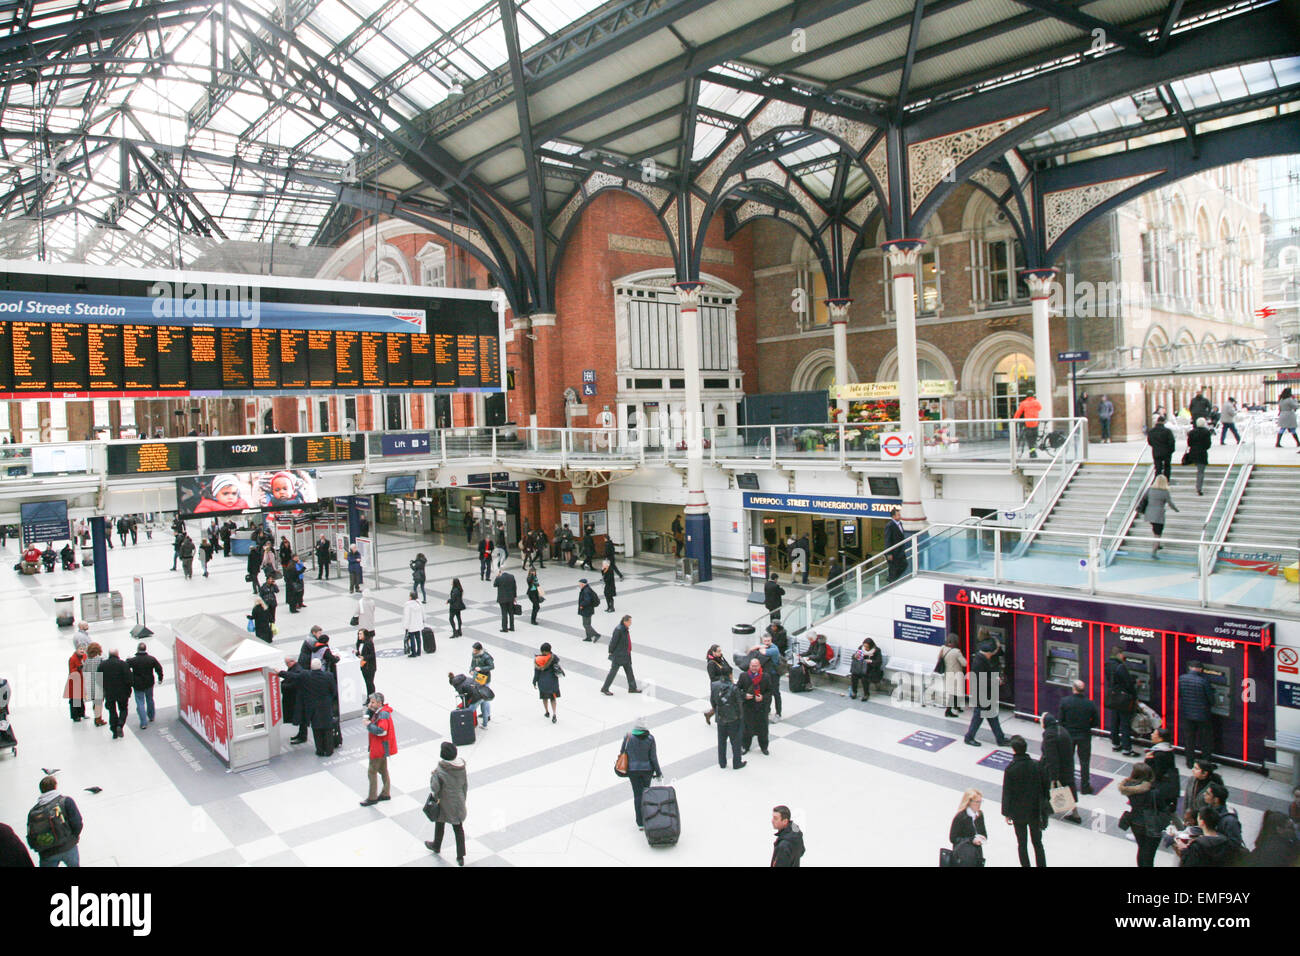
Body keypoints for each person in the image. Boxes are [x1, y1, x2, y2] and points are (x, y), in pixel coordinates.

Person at [1001, 735, 1048, 867]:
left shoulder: (1011, 769)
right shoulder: (1036, 765)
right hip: (1035, 811)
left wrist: (1006, 812)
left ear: (1014, 750)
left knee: (1022, 844)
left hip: (1018, 813)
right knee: (1038, 843)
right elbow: (1045, 786)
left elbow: (1007, 792)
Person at [424, 741, 469, 866]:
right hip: (458, 802)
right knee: (458, 828)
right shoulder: (461, 767)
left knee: (440, 823)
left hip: (444, 802)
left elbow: (435, 788)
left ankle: (436, 845)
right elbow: (465, 785)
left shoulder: (440, 770)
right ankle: (460, 856)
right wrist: (463, 799)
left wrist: (433, 775)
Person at [26, 775, 83, 868]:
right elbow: (77, 823)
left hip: (47, 853)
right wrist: (73, 838)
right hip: (68, 847)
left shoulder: (33, 812)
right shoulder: (66, 801)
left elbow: (30, 836)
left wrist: (40, 849)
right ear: (55, 786)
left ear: (41, 790)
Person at [617, 719, 661, 830]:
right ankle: (647, 817)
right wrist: (658, 772)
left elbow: (623, 752)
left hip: (633, 770)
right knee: (646, 794)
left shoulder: (628, 737)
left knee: (637, 795)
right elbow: (653, 757)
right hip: (647, 771)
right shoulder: (650, 738)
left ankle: (640, 822)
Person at [963, 640, 1008, 747]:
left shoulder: (981, 658)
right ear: (989, 652)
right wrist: (995, 681)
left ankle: (1000, 739)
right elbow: (980, 680)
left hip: (985, 693)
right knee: (978, 717)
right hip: (981, 695)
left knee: (992, 716)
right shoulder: (979, 662)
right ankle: (969, 737)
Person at [1119, 762, 1165, 867]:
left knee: (1142, 848)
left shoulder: (1129, 788)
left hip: (1135, 822)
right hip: (1151, 824)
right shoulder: (1153, 791)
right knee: (1149, 854)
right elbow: (1163, 807)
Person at [1040, 713, 1082, 824]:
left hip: (1057, 769)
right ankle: (1075, 813)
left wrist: (1053, 776)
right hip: (1067, 766)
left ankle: (1047, 810)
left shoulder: (1049, 735)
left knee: (1047, 789)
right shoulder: (1062, 730)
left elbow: (1051, 757)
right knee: (1068, 789)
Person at [1058, 679, 1099, 793]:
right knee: (1085, 762)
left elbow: (1060, 721)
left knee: (1068, 760)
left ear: (1073, 688)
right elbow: (1096, 722)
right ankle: (1085, 786)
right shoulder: (1090, 704)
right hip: (1084, 735)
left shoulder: (1065, 701)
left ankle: (1068, 784)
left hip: (1068, 735)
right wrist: (1086, 726)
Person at [359, 692, 397, 807]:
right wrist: (369, 711)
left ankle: (372, 797)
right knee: (383, 770)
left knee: (372, 771)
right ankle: (385, 793)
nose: (370, 704)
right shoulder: (381, 712)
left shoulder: (383, 714)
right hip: (382, 746)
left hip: (378, 747)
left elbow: (382, 731)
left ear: (379, 703)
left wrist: (368, 725)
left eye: (372, 702)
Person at [1178, 660, 1215, 768]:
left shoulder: (1182, 678)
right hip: (1202, 715)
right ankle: (1205, 763)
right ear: (1200, 669)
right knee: (1205, 740)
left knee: (1189, 739)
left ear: (1190, 668)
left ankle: (1189, 762)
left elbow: (1180, 694)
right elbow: (1211, 700)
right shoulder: (1203, 681)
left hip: (1187, 714)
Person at [1104, 648, 1138, 757]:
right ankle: (1127, 749)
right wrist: (1135, 693)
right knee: (1125, 724)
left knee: (1114, 722)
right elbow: (1128, 683)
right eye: (1122, 654)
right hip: (1123, 699)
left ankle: (1115, 744)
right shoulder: (1120, 667)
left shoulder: (1108, 665)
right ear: (1119, 654)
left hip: (1113, 697)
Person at [710, 663, 745, 769]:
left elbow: (713, 701)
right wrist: (740, 717)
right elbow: (739, 703)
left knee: (721, 741)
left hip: (720, 718)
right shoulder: (734, 688)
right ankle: (737, 762)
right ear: (730, 674)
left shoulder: (715, 685)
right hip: (733, 718)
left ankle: (722, 763)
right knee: (736, 742)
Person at [303, 658, 338, 757]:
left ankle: (320, 749)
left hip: (313, 707)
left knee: (316, 728)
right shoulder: (328, 676)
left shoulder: (307, 677)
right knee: (328, 728)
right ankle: (329, 749)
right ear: (320, 666)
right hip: (326, 706)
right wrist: (329, 699)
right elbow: (334, 691)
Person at [1139, 474, 1179, 558]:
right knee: (1158, 533)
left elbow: (1144, 499)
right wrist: (1176, 509)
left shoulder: (1150, 490)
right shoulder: (1165, 492)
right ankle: (1154, 551)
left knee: (1155, 530)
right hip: (1158, 515)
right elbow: (1170, 503)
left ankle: (1157, 544)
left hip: (1149, 514)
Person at [738, 657, 772, 756]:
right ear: (749, 666)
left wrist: (763, 697)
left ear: (759, 666)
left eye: (756, 666)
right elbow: (737, 690)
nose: (754, 668)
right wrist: (744, 695)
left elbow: (770, 691)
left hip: (761, 709)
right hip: (748, 708)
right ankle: (745, 746)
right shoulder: (743, 676)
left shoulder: (765, 677)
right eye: (752, 666)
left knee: (763, 729)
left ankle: (764, 747)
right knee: (747, 729)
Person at [127, 642, 164, 731]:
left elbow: (125, 667)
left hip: (138, 684)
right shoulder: (151, 659)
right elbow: (159, 668)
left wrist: (130, 678)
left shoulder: (133, 660)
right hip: (149, 682)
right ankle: (151, 716)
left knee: (140, 702)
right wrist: (160, 678)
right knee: (150, 699)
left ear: (137, 649)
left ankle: (143, 722)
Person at [601, 614, 639, 695]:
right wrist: (610, 651)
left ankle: (632, 688)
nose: (630, 623)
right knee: (613, 672)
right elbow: (613, 641)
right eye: (629, 621)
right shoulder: (619, 630)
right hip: (619, 655)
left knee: (629, 671)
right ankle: (605, 688)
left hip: (625, 654)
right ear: (625, 621)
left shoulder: (624, 629)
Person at [948, 789, 988, 866]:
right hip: (963, 854)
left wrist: (982, 838)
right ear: (969, 802)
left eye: (980, 801)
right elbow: (953, 838)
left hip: (976, 853)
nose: (979, 804)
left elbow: (984, 833)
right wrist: (971, 840)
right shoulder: (960, 817)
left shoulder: (980, 815)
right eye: (977, 802)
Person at [99, 648, 132, 740]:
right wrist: (129, 689)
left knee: (112, 711)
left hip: (109, 692)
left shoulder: (102, 665)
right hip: (122, 692)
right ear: (117, 654)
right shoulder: (123, 664)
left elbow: (98, 680)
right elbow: (129, 679)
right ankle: (120, 725)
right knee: (123, 709)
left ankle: (114, 730)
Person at [1182, 760, 1224, 826]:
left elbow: (1214, 806)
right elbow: (1186, 799)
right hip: (1191, 819)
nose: (1192, 770)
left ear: (1204, 773)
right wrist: (1185, 816)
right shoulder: (1191, 780)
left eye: (1196, 768)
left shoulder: (1213, 786)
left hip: (1205, 821)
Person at [278, 657, 309, 745]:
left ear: (292, 662)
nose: (286, 665)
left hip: (298, 698)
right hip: (296, 698)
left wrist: (281, 686)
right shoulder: (295, 668)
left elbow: (294, 684)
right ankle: (301, 734)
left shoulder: (297, 670)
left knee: (301, 718)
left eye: (287, 663)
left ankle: (302, 736)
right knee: (300, 717)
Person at [532, 642, 564, 723]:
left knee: (544, 697)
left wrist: (534, 681)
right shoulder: (554, 658)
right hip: (553, 683)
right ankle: (554, 713)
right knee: (553, 698)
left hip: (542, 683)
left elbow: (537, 672)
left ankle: (546, 712)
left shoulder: (539, 659)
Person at [702, 644, 733, 725]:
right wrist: (724, 678)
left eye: (720, 651)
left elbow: (728, 667)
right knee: (720, 704)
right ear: (713, 652)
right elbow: (713, 678)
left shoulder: (721, 658)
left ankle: (710, 714)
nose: (720, 653)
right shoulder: (711, 664)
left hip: (727, 684)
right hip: (719, 686)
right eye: (718, 651)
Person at [939, 635, 967, 717]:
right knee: (954, 692)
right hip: (956, 674)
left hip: (947, 674)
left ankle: (956, 706)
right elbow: (964, 663)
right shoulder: (956, 652)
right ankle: (948, 711)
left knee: (954, 692)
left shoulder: (943, 649)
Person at [1185, 417, 1213, 495]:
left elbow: (1189, 443)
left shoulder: (1192, 432)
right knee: (1200, 471)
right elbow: (1208, 444)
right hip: (1202, 453)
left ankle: (1197, 487)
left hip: (1193, 453)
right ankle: (1199, 488)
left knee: (1199, 470)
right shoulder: (1206, 432)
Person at [469, 643, 494, 726]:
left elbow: (491, 666)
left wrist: (481, 668)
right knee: (481, 696)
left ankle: (487, 714)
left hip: (485, 678)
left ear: (479, 650)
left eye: (475, 650)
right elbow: (472, 664)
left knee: (484, 697)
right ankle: (485, 713)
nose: (474, 651)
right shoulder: (474, 655)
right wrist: (471, 670)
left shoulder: (486, 657)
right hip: (477, 678)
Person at [1012, 391, 1042, 458]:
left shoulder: (1023, 403)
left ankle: (1032, 451)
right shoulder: (1036, 402)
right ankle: (1033, 450)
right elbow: (1040, 408)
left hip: (1028, 423)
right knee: (1034, 437)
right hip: (1035, 422)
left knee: (1029, 438)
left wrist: (1014, 420)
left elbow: (1018, 413)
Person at [64, 642, 88, 723]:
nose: (82, 651)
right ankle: (75, 716)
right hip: (74, 682)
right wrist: (78, 668)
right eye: (80, 649)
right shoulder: (72, 659)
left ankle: (81, 713)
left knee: (80, 699)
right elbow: (71, 671)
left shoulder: (84, 656)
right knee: (75, 699)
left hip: (81, 681)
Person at [83, 643, 105, 727]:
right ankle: (98, 719)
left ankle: (97, 718)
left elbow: (84, 672)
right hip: (99, 684)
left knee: (95, 702)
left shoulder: (87, 661)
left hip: (90, 684)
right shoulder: (100, 660)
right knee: (99, 702)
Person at [884, 507, 909, 581]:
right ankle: (891, 581)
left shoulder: (900, 523)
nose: (900, 516)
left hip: (900, 551)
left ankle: (895, 579)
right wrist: (889, 553)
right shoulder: (890, 525)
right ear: (893, 516)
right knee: (893, 569)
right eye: (898, 515)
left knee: (904, 565)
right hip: (893, 552)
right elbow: (887, 540)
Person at [402, 591, 425, 658]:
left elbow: (407, 616)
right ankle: (419, 652)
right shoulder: (419, 603)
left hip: (411, 625)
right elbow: (423, 613)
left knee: (412, 638)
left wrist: (405, 626)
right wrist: (423, 620)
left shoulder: (408, 605)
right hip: (418, 624)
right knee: (418, 638)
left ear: (411, 597)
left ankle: (413, 653)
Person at [493, 567, 517, 632]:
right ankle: (512, 627)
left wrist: (497, 577)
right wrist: (515, 597)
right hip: (510, 598)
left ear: (500, 572)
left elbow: (494, 585)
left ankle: (505, 628)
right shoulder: (512, 577)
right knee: (511, 613)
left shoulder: (499, 578)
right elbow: (514, 587)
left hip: (502, 598)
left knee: (504, 613)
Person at [577, 578, 600, 642]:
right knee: (587, 624)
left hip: (586, 610)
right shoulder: (587, 589)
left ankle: (596, 635)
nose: (579, 585)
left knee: (586, 624)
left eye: (580, 584)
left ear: (582, 584)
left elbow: (587, 600)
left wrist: (582, 605)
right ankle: (588, 637)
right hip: (589, 610)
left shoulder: (585, 591)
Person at [357, 628, 377, 698]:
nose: (359, 635)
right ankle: (369, 697)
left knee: (370, 683)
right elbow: (360, 652)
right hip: (363, 666)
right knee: (367, 683)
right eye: (358, 634)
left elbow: (372, 655)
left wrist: (364, 657)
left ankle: (372, 697)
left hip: (369, 667)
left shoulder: (369, 643)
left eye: (360, 634)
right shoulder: (360, 643)